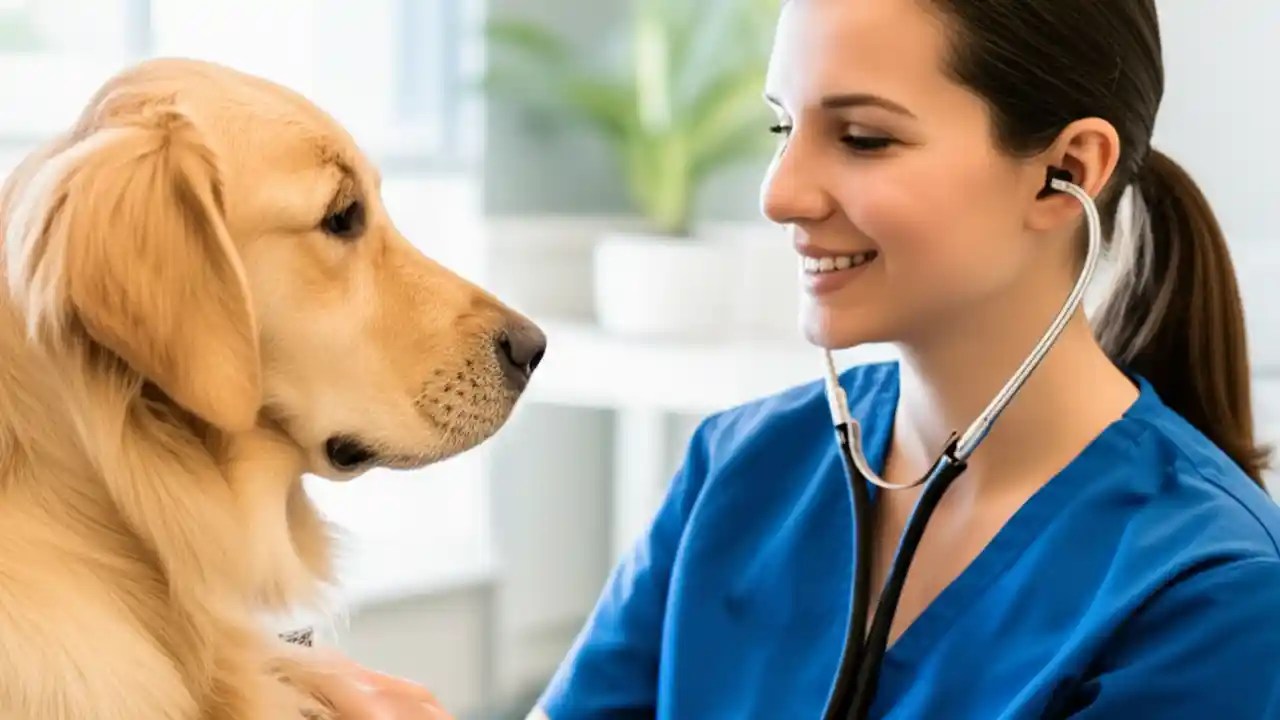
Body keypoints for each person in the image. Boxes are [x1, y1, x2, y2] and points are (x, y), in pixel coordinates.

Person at [325, 0, 1280, 717]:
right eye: (785, 126)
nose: (780, 193)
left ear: (1065, 170)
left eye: (863, 138)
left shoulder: (1209, 593)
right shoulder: (736, 470)